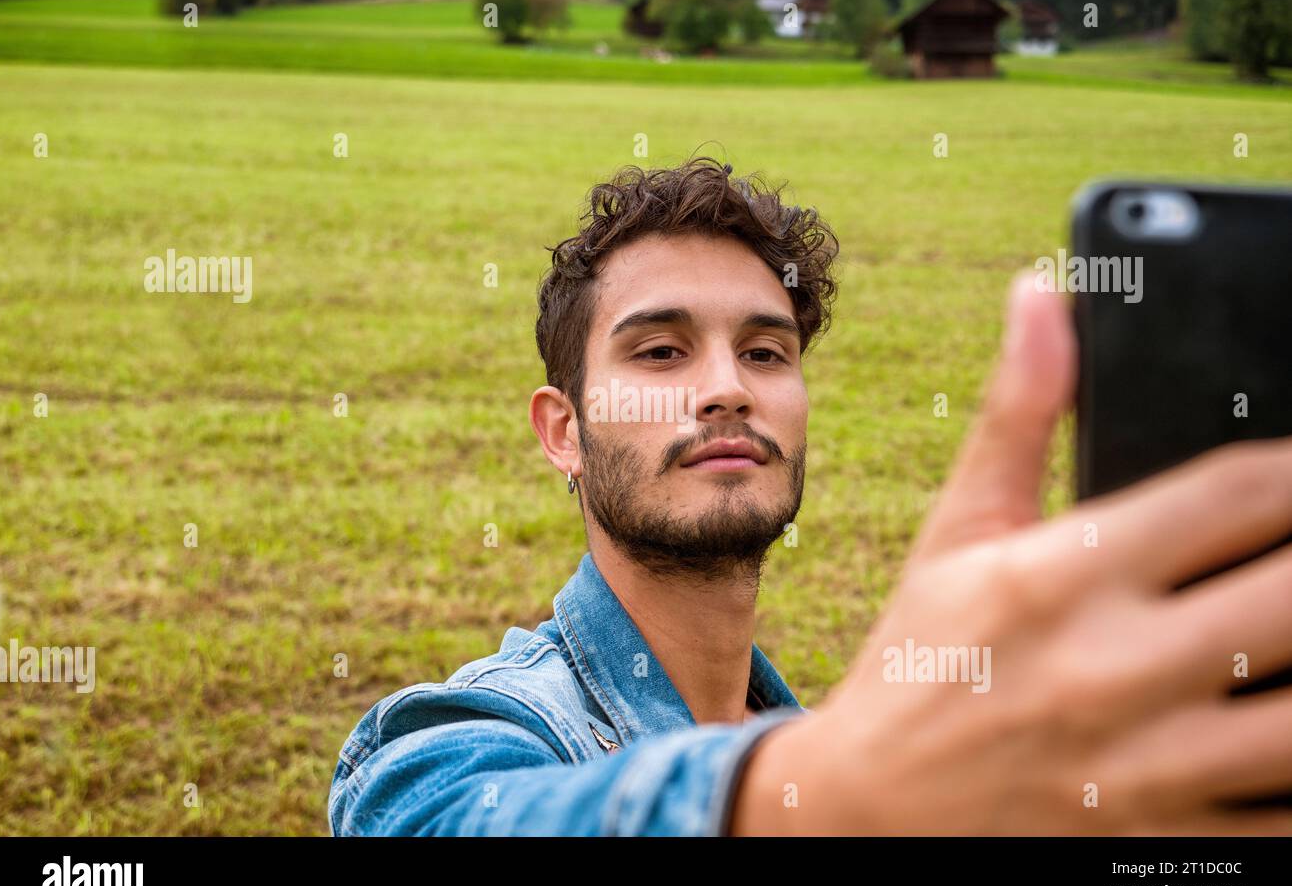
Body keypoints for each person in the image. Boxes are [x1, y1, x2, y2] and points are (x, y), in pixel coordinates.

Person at [328, 157, 1292, 836]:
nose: (728, 386)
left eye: (765, 351)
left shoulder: (815, 738)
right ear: (563, 430)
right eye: (660, 350)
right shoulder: (470, 736)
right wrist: (840, 792)